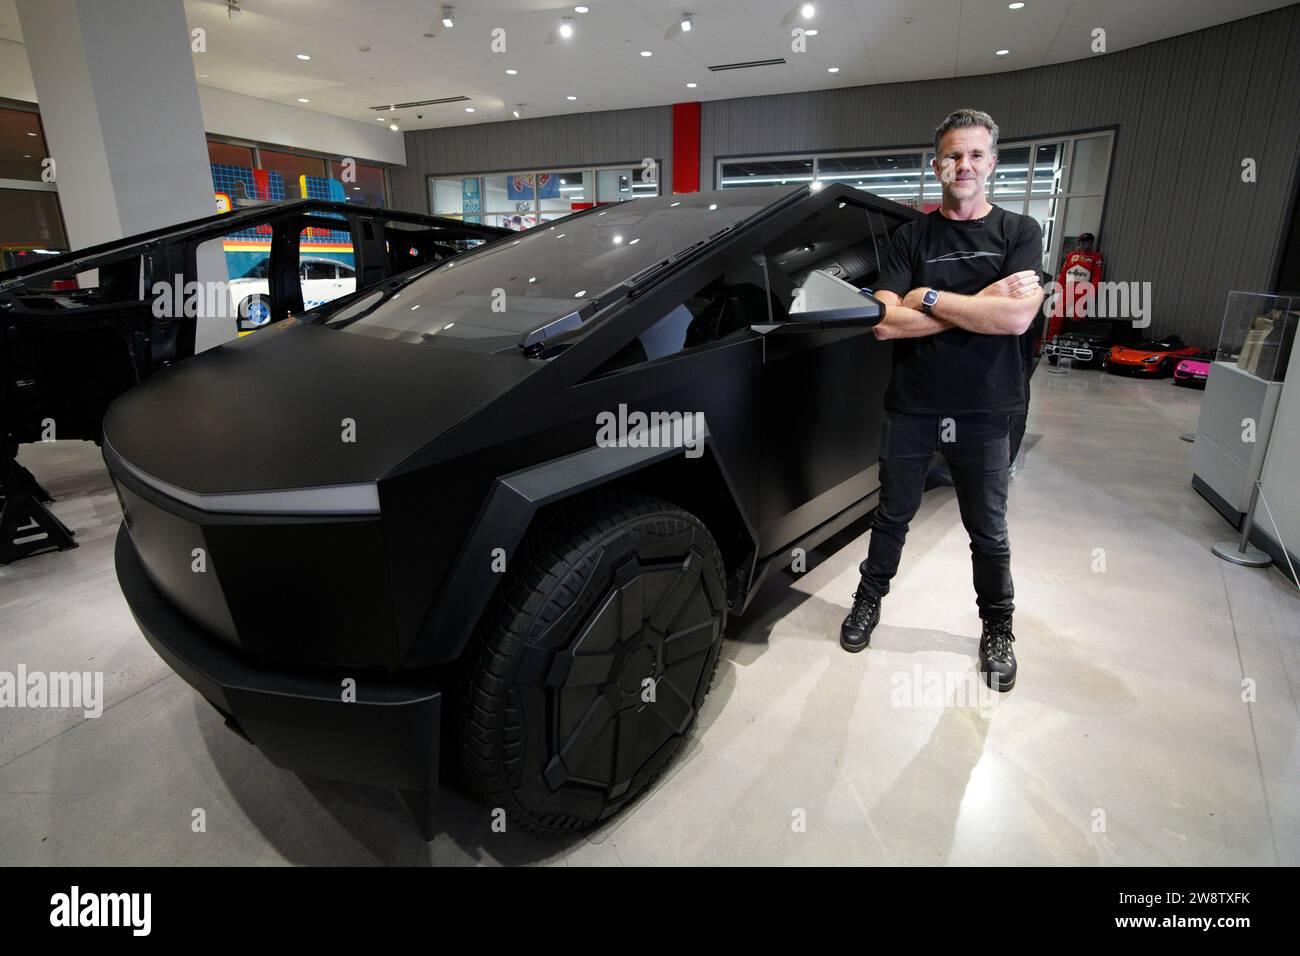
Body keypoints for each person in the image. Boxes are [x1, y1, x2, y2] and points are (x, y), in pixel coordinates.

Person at [840, 109, 1044, 692]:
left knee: (989, 531)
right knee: (891, 515)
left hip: (986, 407)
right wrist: (981, 301)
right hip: (913, 403)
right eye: (954, 155)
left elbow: (1015, 319)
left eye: (976, 154)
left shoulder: (1019, 232)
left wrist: (926, 296)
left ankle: (998, 628)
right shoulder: (911, 237)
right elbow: (885, 324)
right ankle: (867, 601)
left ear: (992, 163)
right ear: (937, 166)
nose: (964, 165)